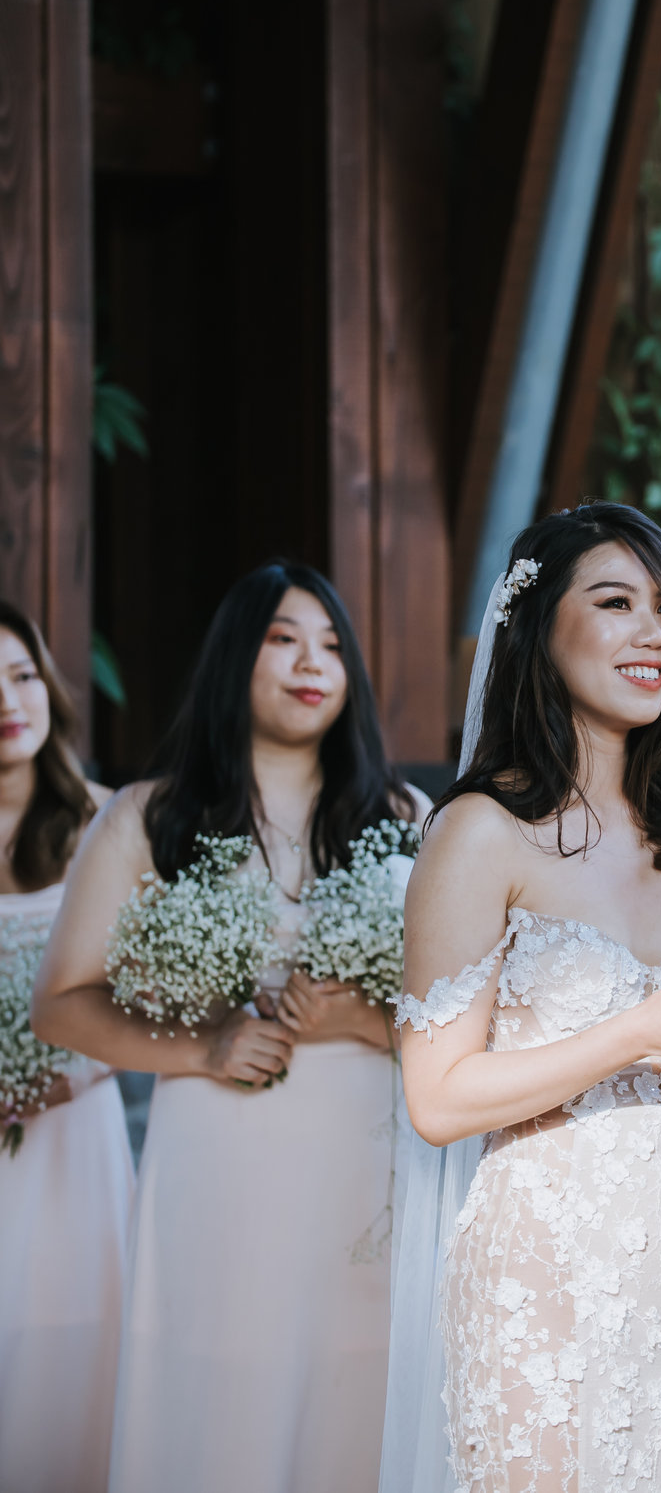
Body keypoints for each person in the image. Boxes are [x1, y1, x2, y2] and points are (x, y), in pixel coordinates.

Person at [33, 561, 429, 1493]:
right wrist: (203, 1044)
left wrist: (361, 1017)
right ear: (235, 658)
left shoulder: (407, 818)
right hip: (221, 1147)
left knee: (359, 1391)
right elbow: (62, 1000)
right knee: (221, 1400)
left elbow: (461, 1013)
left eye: (332, 645)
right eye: (284, 638)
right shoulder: (151, 816)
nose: (311, 662)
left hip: (366, 1158)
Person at [391, 501, 661, 1493]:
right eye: (613, 601)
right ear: (539, 626)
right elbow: (437, 1098)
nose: (650, 631)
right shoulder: (480, 832)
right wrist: (637, 1032)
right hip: (540, 1278)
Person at [0, 601, 131, 1493]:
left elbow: (155, 992)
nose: (10, 700)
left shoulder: (105, 824)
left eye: (20, 675)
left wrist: (48, 1081)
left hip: (71, 1137)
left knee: (72, 1355)